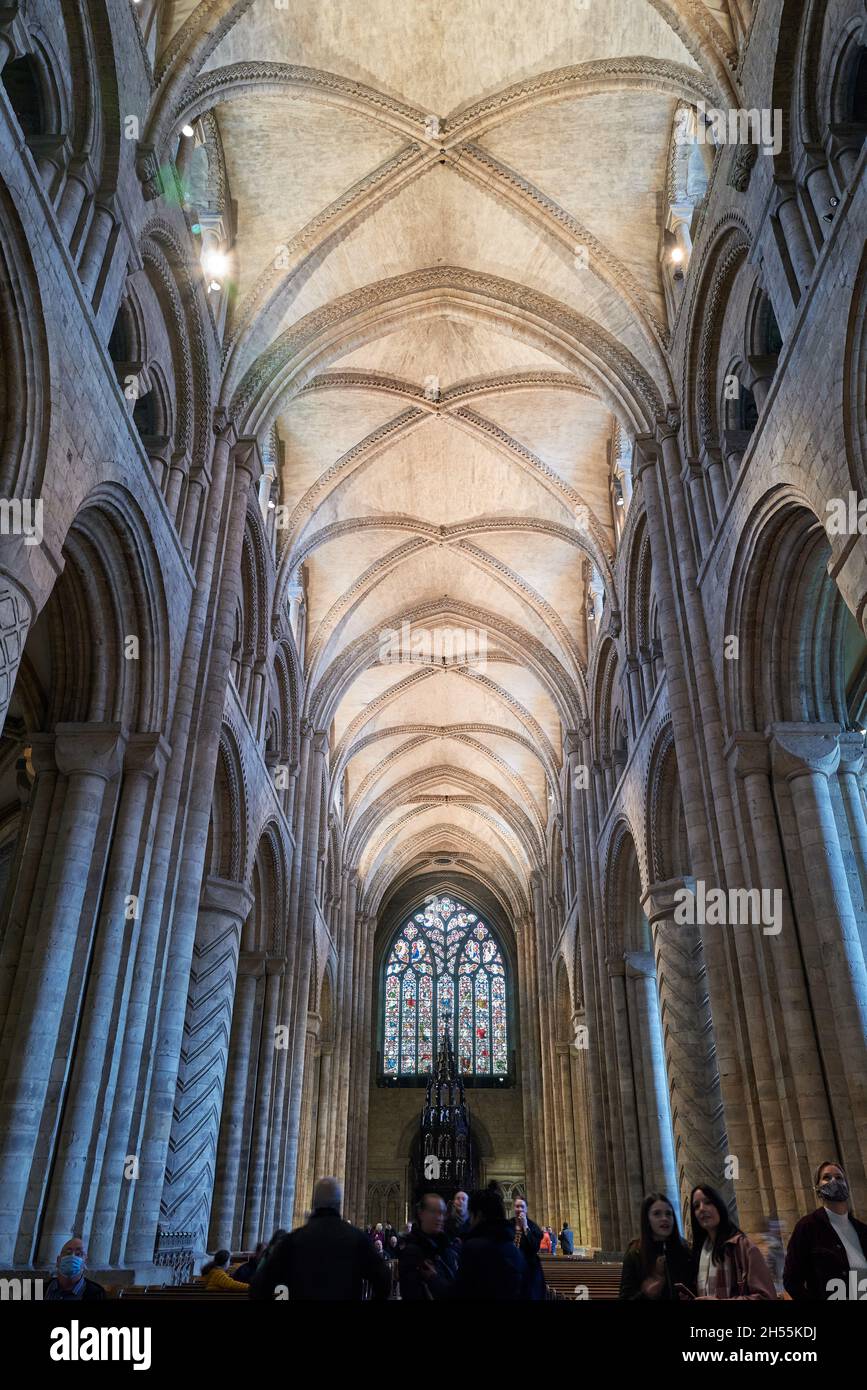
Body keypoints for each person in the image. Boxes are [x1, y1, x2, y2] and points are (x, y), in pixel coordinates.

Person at [250, 1177, 390, 1301]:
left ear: (314, 1204)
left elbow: (259, 1285)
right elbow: (383, 1277)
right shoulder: (357, 1239)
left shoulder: (293, 1240)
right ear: (339, 1204)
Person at [784, 1161, 867, 1300]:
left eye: (839, 1178)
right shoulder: (807, 1227)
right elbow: (791, 1281)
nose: (834, 1181)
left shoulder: (862, 1230)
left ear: (847, 1185)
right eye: (827, 1177)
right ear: (817, 1188)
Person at [689, 1186, 776, 1300]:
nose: (702, 1208)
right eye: (696, 1206)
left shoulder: (742, 1246)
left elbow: (766, 1296)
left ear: (719, 1206)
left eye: (708, 1202)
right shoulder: (700, 1251)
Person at [448, 1184, 528, 1300]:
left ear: (479, 1215)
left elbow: (461, 1291)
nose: (470, 1220)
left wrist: (434, 1278)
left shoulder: (473, 1248)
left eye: (471, 1215)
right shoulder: (513, 1249)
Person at [618, 1193, 693, 1300]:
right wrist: (646, 1294)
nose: (664, 1218)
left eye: (668, 1214)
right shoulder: (635, 1253)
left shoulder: (684, 1249)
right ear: (647, 1220)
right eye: (657, 1214)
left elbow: (694, 1288)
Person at [398, 1191, 460, 1300]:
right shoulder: (412, 1252)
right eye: (433, 1212)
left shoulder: (446, 1247)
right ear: (421, 1214)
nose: (439, 1217)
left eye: (441, 1213)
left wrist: (434, 1278)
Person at [44, 1236, 106, 1301]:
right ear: (58, 1260)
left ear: (85, 1262)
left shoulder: (97, 1293)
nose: (72, 1256)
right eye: (68, 1253)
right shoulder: (38, 1287)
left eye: (79, 1254)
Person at [508, 1195, 545, 1299]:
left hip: (528, 1271)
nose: (519, 1209)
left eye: (522, 1207)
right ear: (513, 1208)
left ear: (526, 1209)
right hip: (510, 1270)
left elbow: (534, 1247)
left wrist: (525, 1227)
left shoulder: (533, 1227)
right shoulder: (508, 1225)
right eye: (517, 1206)